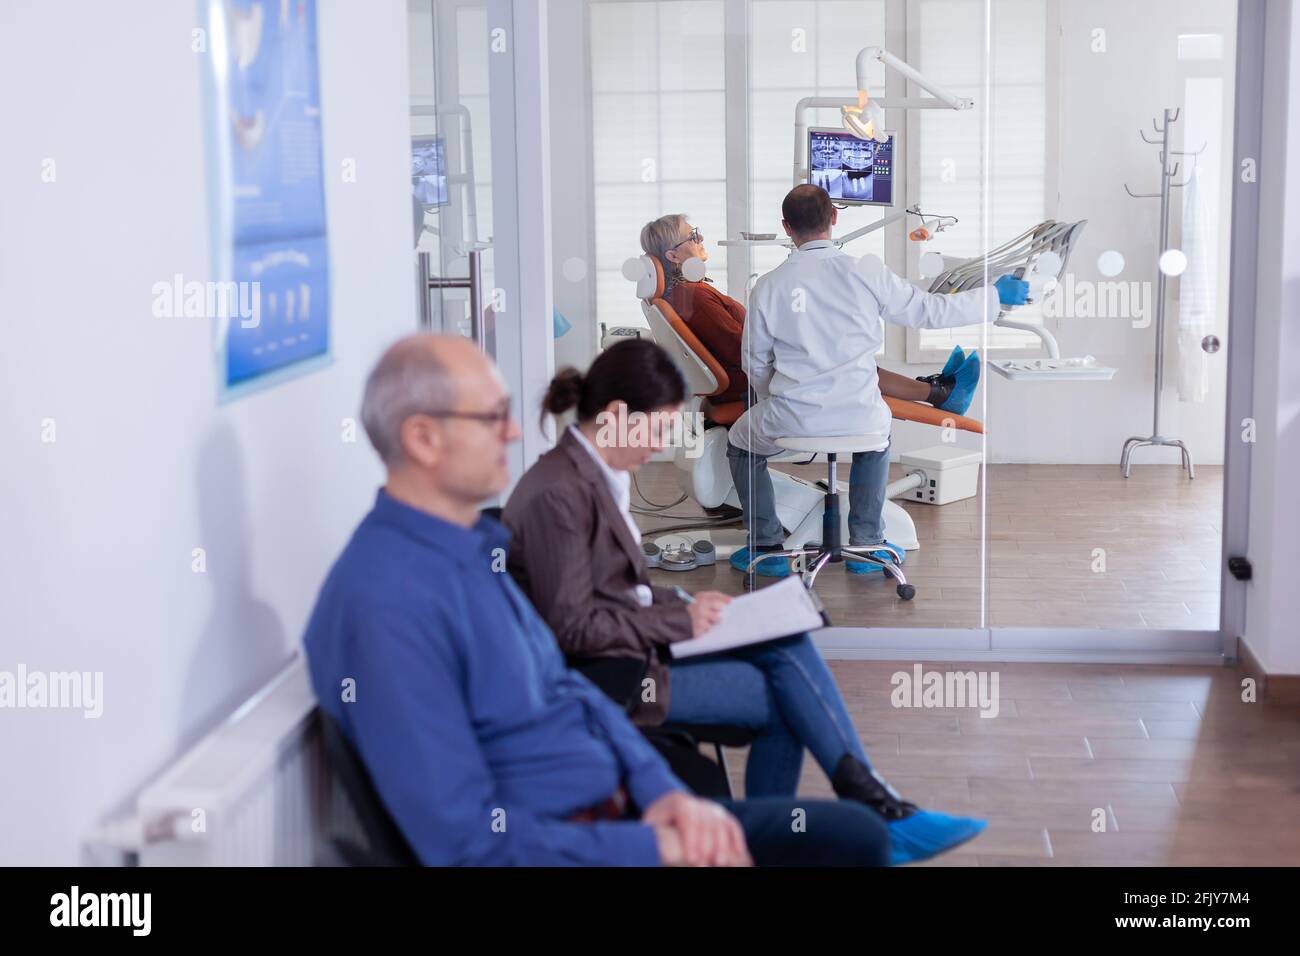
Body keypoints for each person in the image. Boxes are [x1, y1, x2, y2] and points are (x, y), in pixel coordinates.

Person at [302, 333, 891, 866]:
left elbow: (566, 690)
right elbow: (467, 844)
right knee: (850, 839)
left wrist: (660, 791)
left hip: (622, 801)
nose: (513, 432)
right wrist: (651, 844)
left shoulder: (472, 552)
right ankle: (864, 790)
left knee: (854, 832)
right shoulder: (384, 606)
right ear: (423, 439)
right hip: (593, 836)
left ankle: (863, 790)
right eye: (492, 417)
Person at [502, 337, 985, 865]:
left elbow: (619, 589)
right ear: (618, 414)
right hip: (609, 676)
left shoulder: (596, 474)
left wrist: (685, 600)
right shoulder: (558, 493)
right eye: (660, 429)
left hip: (636, 644)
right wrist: (677, 619)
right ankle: (865, 811)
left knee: (782, 636)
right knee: (785, 700)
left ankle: (869, 802)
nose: (661, 444)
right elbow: (572, 628)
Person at [725, 185, 1029, 577]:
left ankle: (765, 545)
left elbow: (754, 361)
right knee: (877, 437)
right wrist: (992, 296)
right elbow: (928, 311)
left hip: (793, 417)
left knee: (739, 444)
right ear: (834, 217)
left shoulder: (768, 285)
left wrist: (774, 398)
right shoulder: (865, 271)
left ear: (786, 227)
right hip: (860, 414)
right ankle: (867, 541)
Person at [639, 212, 979, 412]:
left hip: (757, 372)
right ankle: (938, 393)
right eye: (692, 236)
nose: (701, 239)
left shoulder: (689, 293)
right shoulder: (694, 296)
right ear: (672, 256)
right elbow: (740, 349)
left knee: (841, 356)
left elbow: (742, 342)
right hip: (755, 383)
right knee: (844, 359)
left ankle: (934, 387)